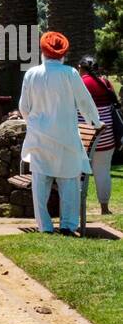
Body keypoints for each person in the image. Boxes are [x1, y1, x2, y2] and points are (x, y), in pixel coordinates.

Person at [19, 31, 100, 235]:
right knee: (70, 185)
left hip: (39, 139)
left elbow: (24, 107)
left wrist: (34, 124)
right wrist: (95, 121)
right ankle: (68, 225)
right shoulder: (70, 73)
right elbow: (84, 101)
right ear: (63, 53)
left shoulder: (32, 74)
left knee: (40, 186)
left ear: (43, 52)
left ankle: (45, 227)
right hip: (66, 139)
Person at [78, 55, 118, 217]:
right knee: (103, 171)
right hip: (107, 135)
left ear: (81, 68)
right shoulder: (105, 82)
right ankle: (104, 208)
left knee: (78, 173)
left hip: (84, 136)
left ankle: (78, 207)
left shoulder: (80, 83)